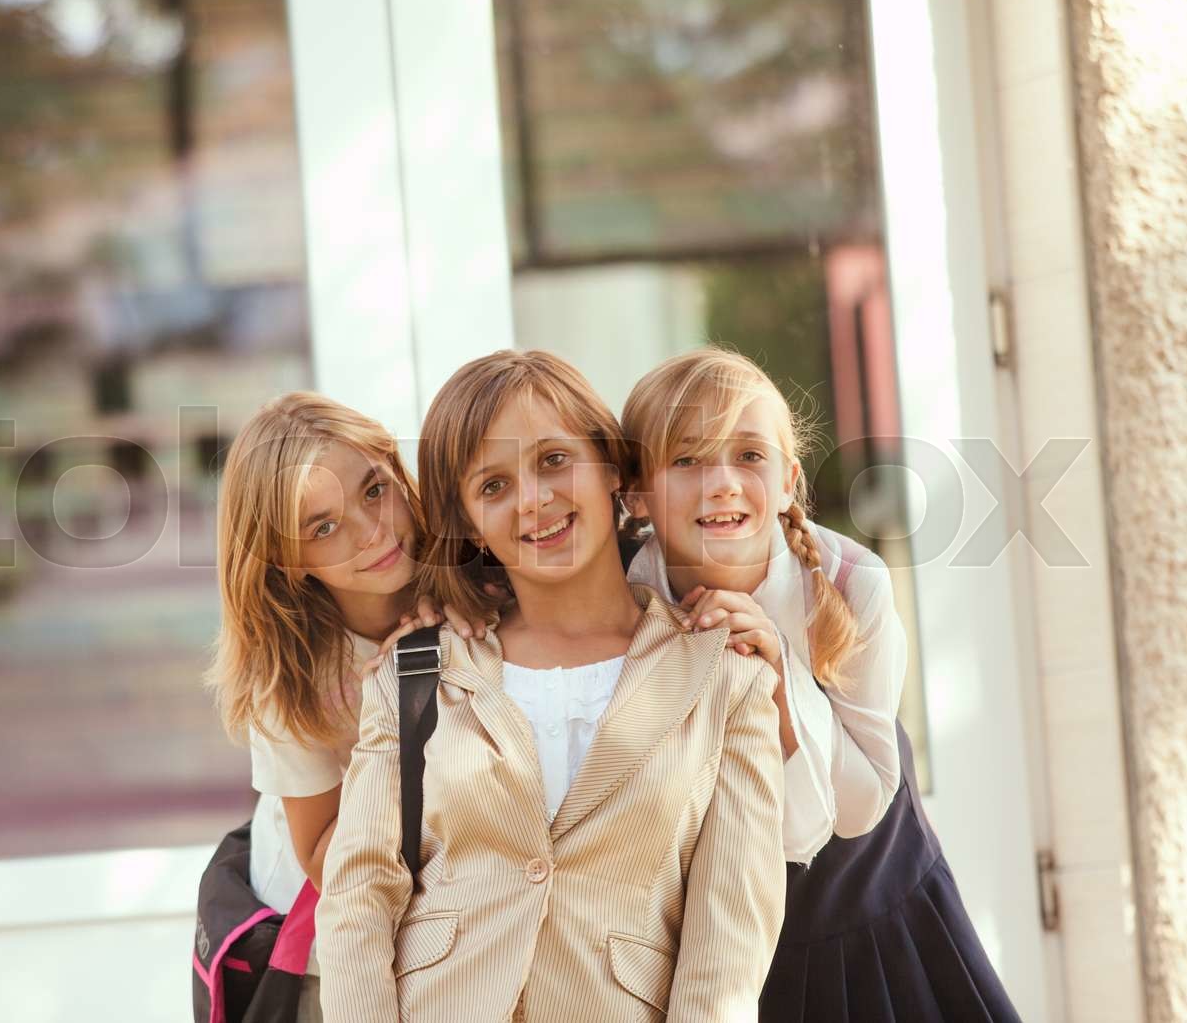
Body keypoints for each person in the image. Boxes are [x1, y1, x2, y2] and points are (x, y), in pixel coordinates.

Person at [316, 349, 787, 1022]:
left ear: (612, 471)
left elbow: (728, 943)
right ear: (468, 523)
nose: (533, 500)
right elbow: (358, 896)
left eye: (555, 461)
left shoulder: (727, 678)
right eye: (493, 486)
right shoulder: (416, 675)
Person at [620, 347, 1019, 1022]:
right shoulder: (622, 591)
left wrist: (779, 671)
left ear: (787, 484)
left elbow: (863, 804)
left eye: (749, 455)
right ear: (634, 495)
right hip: (716, 932)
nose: (721, 482)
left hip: (864, 910)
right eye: (687, 458)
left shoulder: (848, 583)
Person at [206, 391, 465, 1021]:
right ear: (286, 560)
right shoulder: (289, 677)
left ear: (394, 469)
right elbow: (324, 857)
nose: (370, 530)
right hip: (328, 955)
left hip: (453, 927)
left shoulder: (466, 582)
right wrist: (399, 706)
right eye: (323, 528)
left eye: (374, 490)